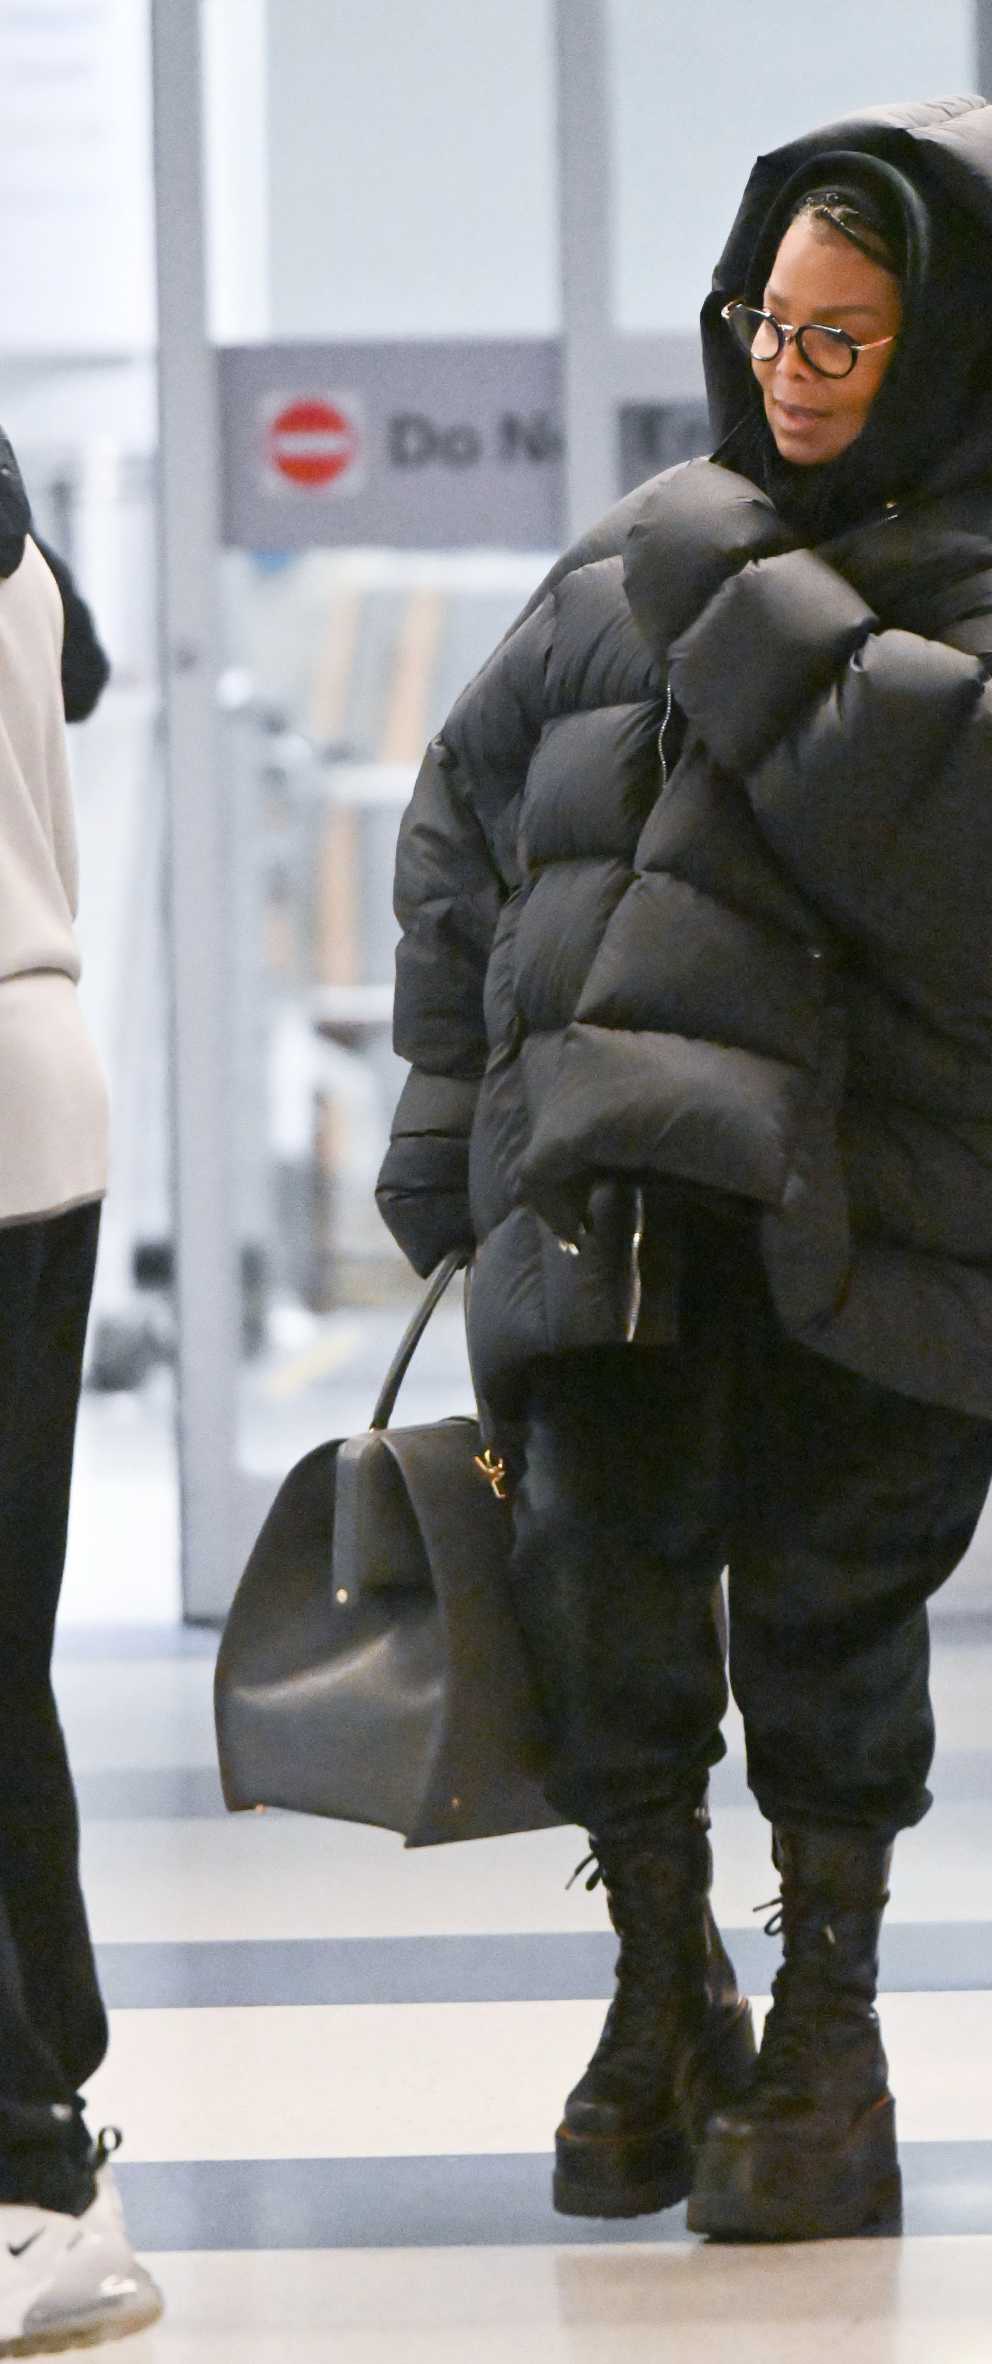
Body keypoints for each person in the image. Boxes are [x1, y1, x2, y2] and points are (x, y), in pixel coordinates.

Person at [378, 98, 992, 2242]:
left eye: (848, 342)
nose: (790, 380)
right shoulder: (651, 539)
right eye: (768, 329)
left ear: (963, 344)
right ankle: (654, 1994)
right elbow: (460, 812)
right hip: (621, 1220)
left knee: (829, 1627)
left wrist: (727, 578)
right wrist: (457, 1127)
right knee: (605, 1619)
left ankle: (832, 2032)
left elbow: (971, 836)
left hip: (881, 1217)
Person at [0, 430, 162, 2352]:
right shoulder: (15, 518)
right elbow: (91, 674)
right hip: (42, 1091)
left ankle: (34, 2159)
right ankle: (60, 2132)